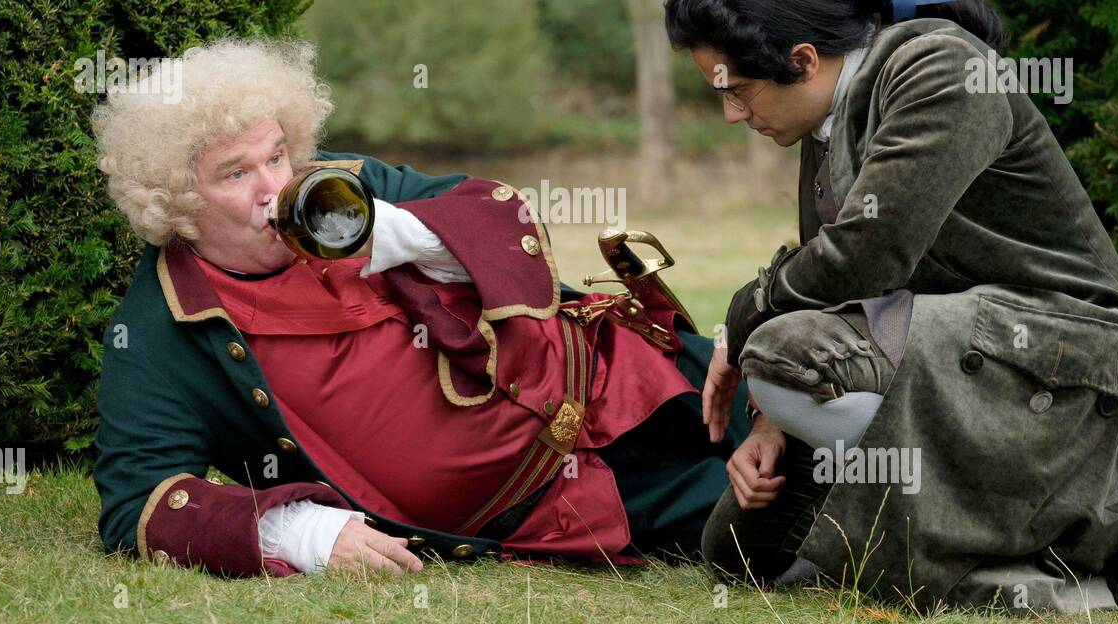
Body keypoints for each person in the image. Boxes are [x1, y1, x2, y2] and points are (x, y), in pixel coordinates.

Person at [90, 37, 750, 579]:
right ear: (179, 201)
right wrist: (302, 531)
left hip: (614, 371)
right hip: (553, 503)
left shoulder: (342, 186)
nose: (274, 188)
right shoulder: (156, 330)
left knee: (786, 403)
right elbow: (138, 503)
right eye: (236, 173)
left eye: (277, 156)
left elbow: (507, 219)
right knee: (765, 521)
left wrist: (398, 231)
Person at [663, 0, 1118, 614]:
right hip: (965, 353)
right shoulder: (829, 121)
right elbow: (831, 284)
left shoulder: (941, 67)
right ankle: (925, 540)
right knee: (739, 550)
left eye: (737, 91)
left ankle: (1050, 573)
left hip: (1071, 370)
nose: (733, 115)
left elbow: (867, 254)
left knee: (784, 353)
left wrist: (743, 324)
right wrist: (768, 420)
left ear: (803, 60)